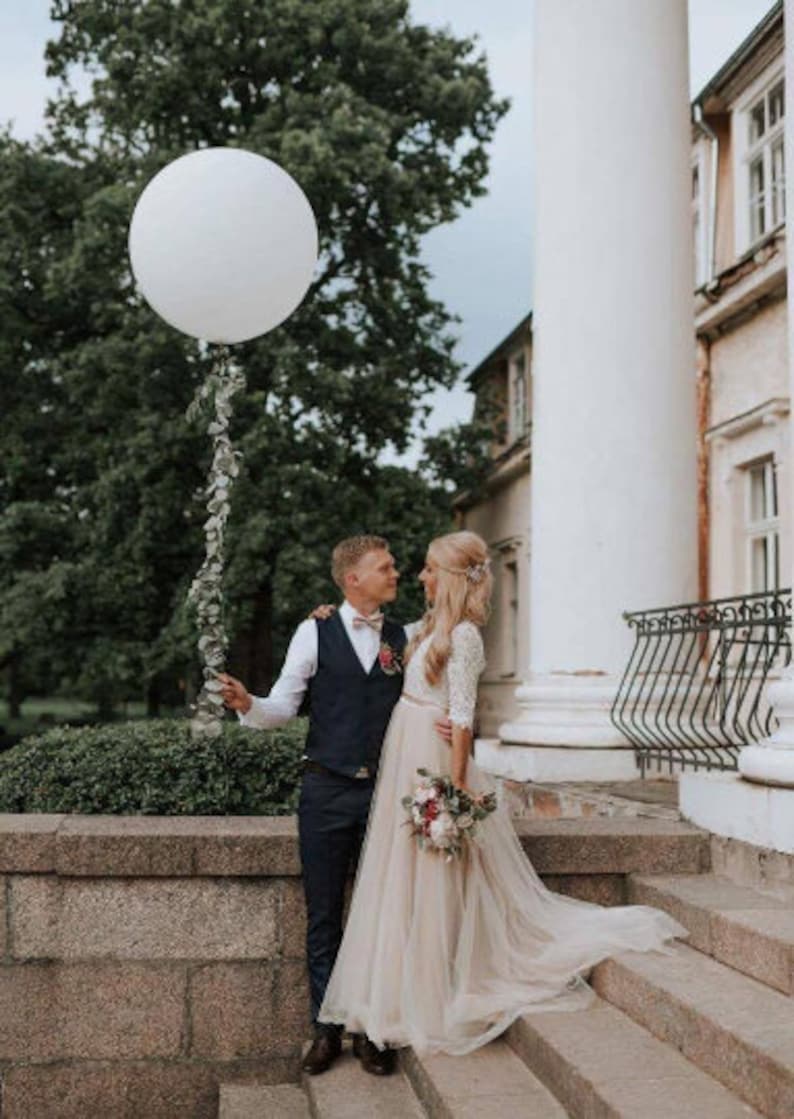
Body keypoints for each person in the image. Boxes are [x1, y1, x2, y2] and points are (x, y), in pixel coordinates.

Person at [317, 529, 687, 1056]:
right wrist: (326, 615)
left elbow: (464, 715)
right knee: (402, 877)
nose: (418, 575)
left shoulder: (464, 636)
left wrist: (456, 789)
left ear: (446, 577)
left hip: (435, 763)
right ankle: (402, 988)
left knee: (435, 877)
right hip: (407, 750)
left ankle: (436, 987)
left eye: (427, 568)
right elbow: (370, 631)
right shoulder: (423, 629)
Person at [219, 535, 451, 1077]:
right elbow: (284, 704)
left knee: (385, 914)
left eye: (396, 567)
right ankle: (325, 1030)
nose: (396, 574)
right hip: (324, 792)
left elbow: (430, 689)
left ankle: (374, 1031)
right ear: (353, 579)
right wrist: (249, 704)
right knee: (324, 915)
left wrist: (451, 721)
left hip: (388, 794)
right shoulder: (314, 630)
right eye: (385, 567)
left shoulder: (406, 636)